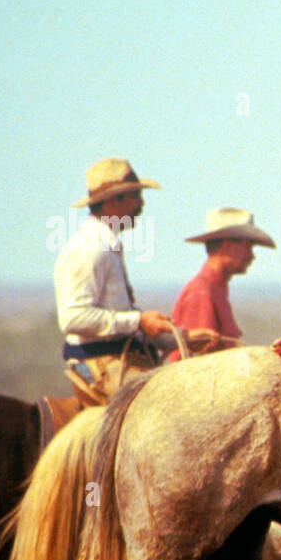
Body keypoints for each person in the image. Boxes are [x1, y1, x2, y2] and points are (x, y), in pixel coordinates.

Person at [54, 157, 174, 403]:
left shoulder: (106, 245)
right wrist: (138, 321)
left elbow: (116, 315)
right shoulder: (90, 249)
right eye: (135, 196)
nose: (141, 204)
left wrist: (181, 337)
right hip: (100, 367)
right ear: (111, 202)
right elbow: (73, 318)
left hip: (116, 360)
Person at [168, 207, 274, 361]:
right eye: (248, 247)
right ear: (227, 245)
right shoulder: (201, 291)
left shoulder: (214, 288)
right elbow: (198, 362)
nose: (251, 256)